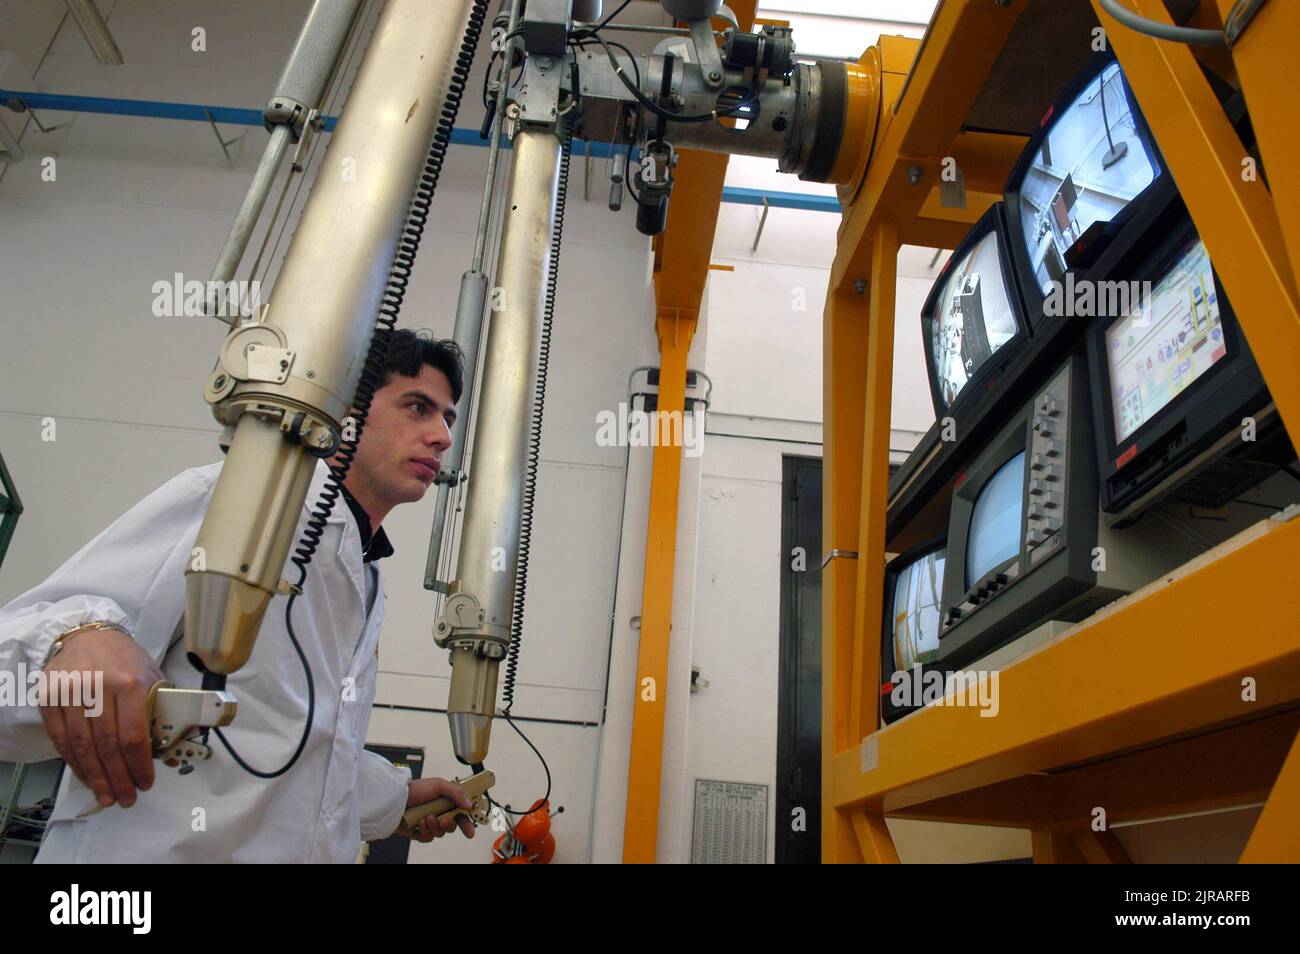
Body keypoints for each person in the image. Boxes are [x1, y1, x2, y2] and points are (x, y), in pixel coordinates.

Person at [0, 329, 475, 862]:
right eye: (418, 408)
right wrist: (73, 640)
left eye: (448, 419)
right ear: (348, 408)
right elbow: (15, 663)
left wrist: (396, 798)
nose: (441, 436)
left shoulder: (364, 576)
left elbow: (296, 746)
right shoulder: (234, 503)